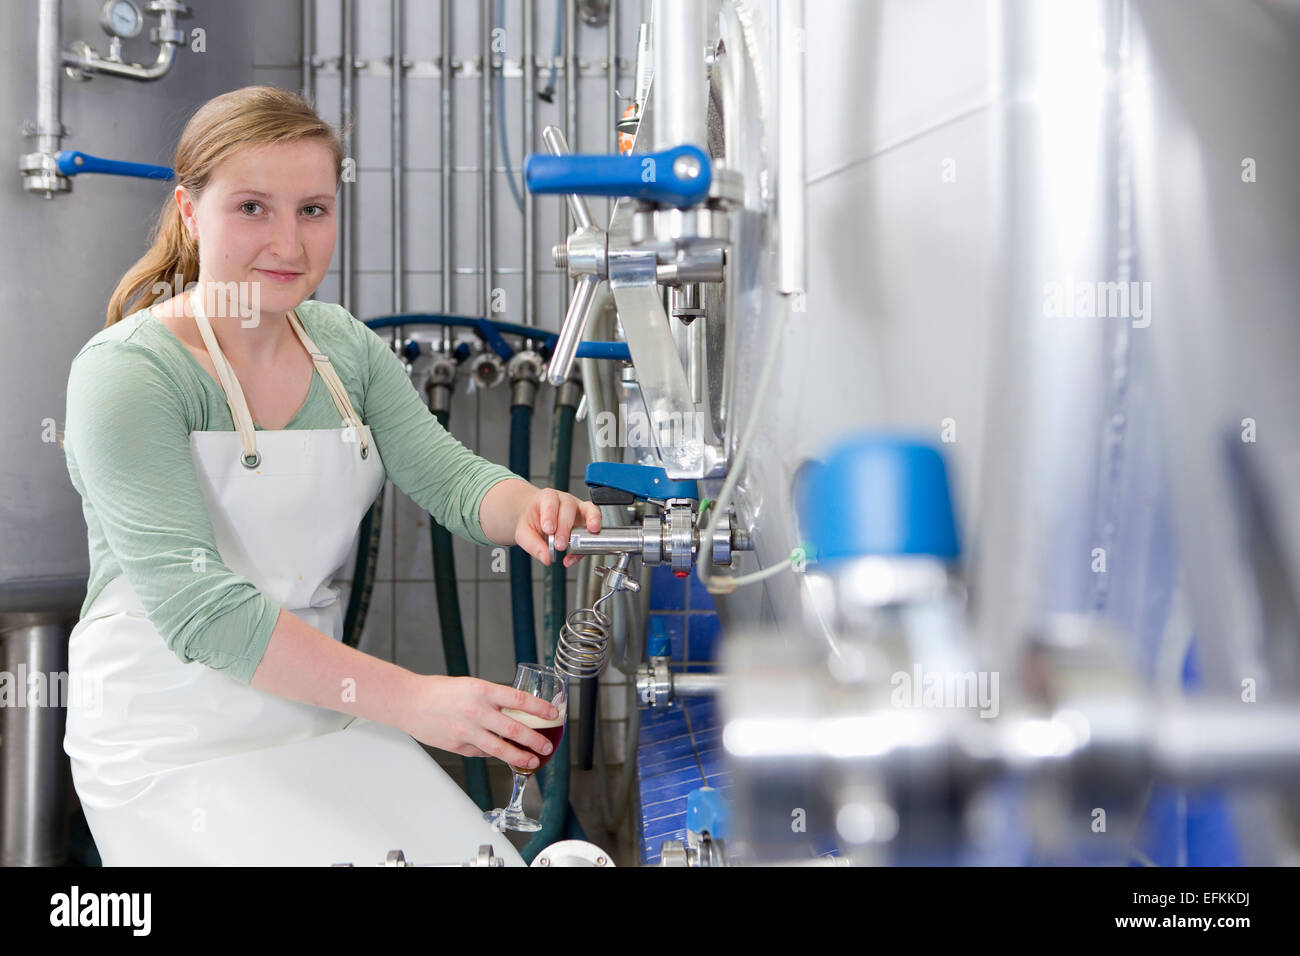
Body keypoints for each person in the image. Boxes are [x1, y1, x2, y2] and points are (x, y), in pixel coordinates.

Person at [60, 85, 600, 866]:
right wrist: (414, 701)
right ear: (188, 210)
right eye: (252, 207)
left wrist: (525, 509)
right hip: (170, 741)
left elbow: (448, 478)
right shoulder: (128, 374)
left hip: (318, 711)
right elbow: (203, 614)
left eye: (313, 209)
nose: (287, 242)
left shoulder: (341, 346)